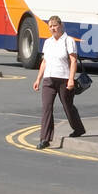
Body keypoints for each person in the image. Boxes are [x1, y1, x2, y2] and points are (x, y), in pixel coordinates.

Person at [33, 17, 83, 150]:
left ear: (61, 25)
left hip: (64, 79)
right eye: (50, 26)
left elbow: (73, 61)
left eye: (55, 26)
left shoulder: (68, 41)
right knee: (46, 108)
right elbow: (44, 62)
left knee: (68, 106)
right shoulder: (48, 42)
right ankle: (45, 139)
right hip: (49, 79)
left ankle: (78, 128)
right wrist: (38, 79)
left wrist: (71, 79)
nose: (52, 28)